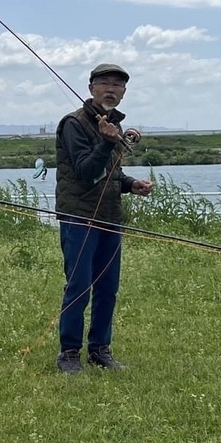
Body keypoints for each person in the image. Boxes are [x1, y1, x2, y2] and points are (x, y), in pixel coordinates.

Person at [54, 63, 153, 374]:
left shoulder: (113, 125)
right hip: (79, 216)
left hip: (110, 216)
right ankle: (69, 353)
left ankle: (100, 350)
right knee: (80, 285)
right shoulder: (74, 124)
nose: (111, 89)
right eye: (105, 83)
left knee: (108, 286)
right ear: (91, 88)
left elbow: (110, 174)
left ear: (123, 93)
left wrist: (130, 185)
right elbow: (86, 171)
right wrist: (107, 142)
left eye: (118, 85)